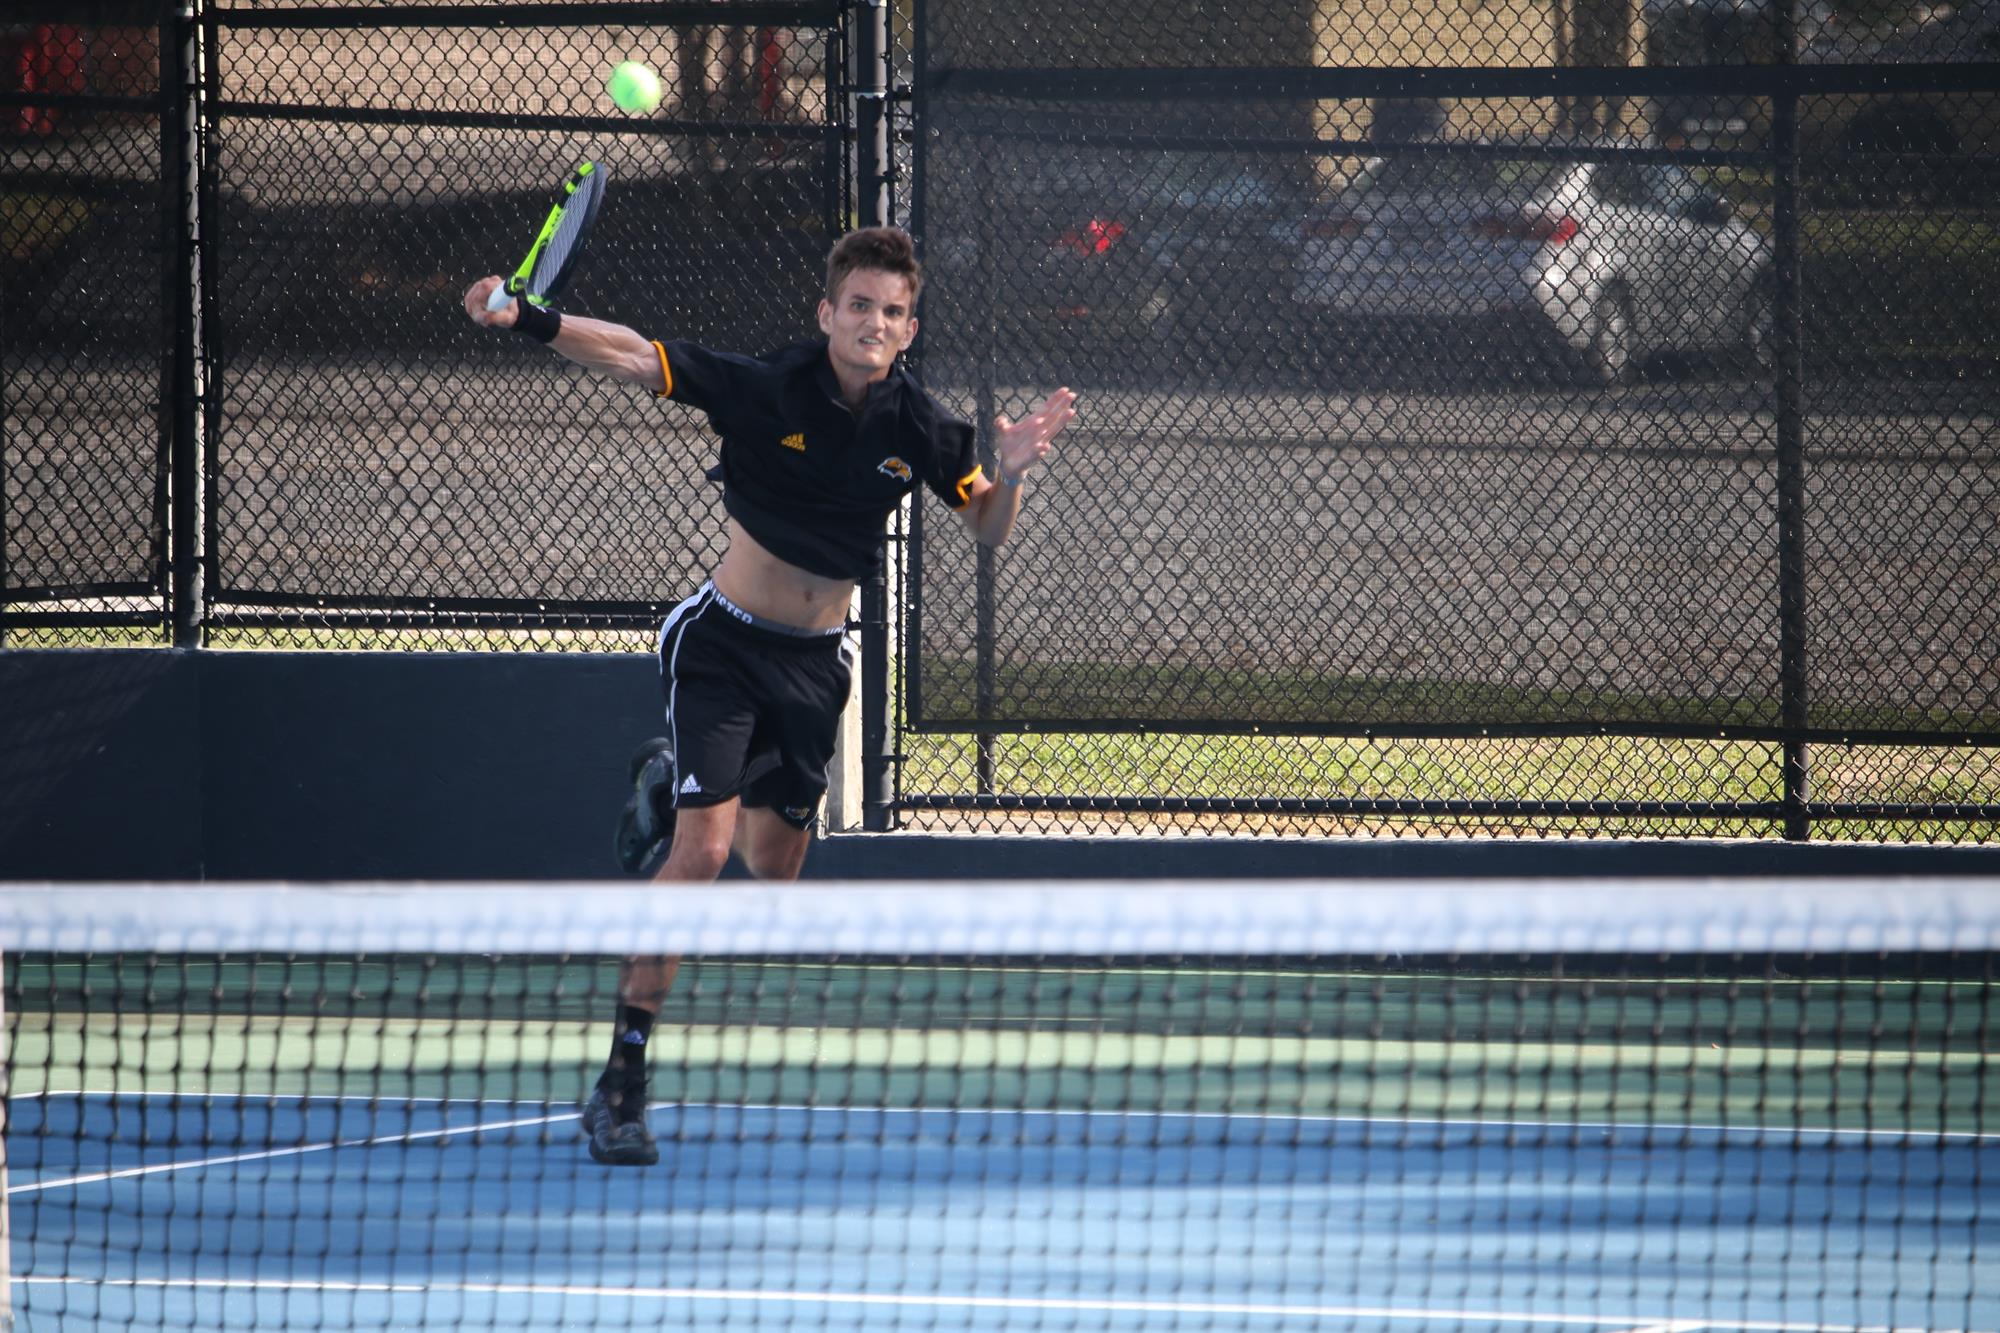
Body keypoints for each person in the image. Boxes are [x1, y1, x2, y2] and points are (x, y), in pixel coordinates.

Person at [462, 226, 1076, 1166]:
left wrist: (1016, 475)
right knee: (703, 855)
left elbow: (988, 526)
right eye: (860, 305)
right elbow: (635, 354)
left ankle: (668, 780)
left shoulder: (918, 423)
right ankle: (622, 1082)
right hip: (723, 646)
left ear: (910, 330)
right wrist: (531, 319)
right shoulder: (770, 387)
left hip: (816, 666)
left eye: (893, 312)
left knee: (770, 867)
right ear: (828, 313)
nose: (875, 323)